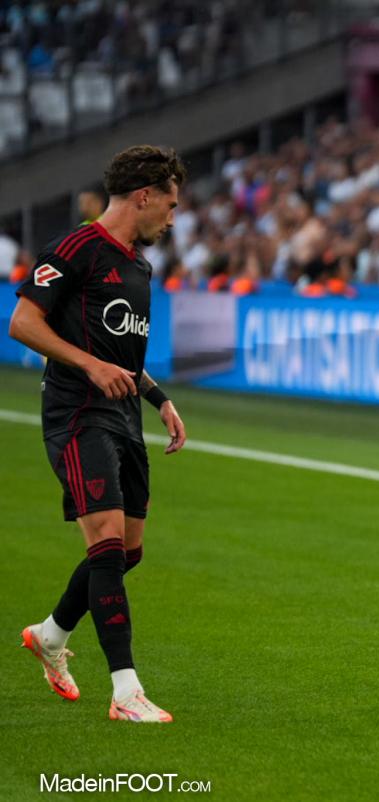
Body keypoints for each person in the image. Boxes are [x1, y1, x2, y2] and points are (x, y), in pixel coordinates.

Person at [8, 145, 188, 723]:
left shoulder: (139, 266)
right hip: (76, 414)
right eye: (170, 203)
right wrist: (88, 366)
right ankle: (126, 690)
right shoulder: (74, 249)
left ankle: (52, 634)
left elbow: (121, 357)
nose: (173, 216)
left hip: (124, 418)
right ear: (144, 195)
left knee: (127, 552)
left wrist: (158, 400)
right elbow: (22, 323)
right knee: (106, 543)